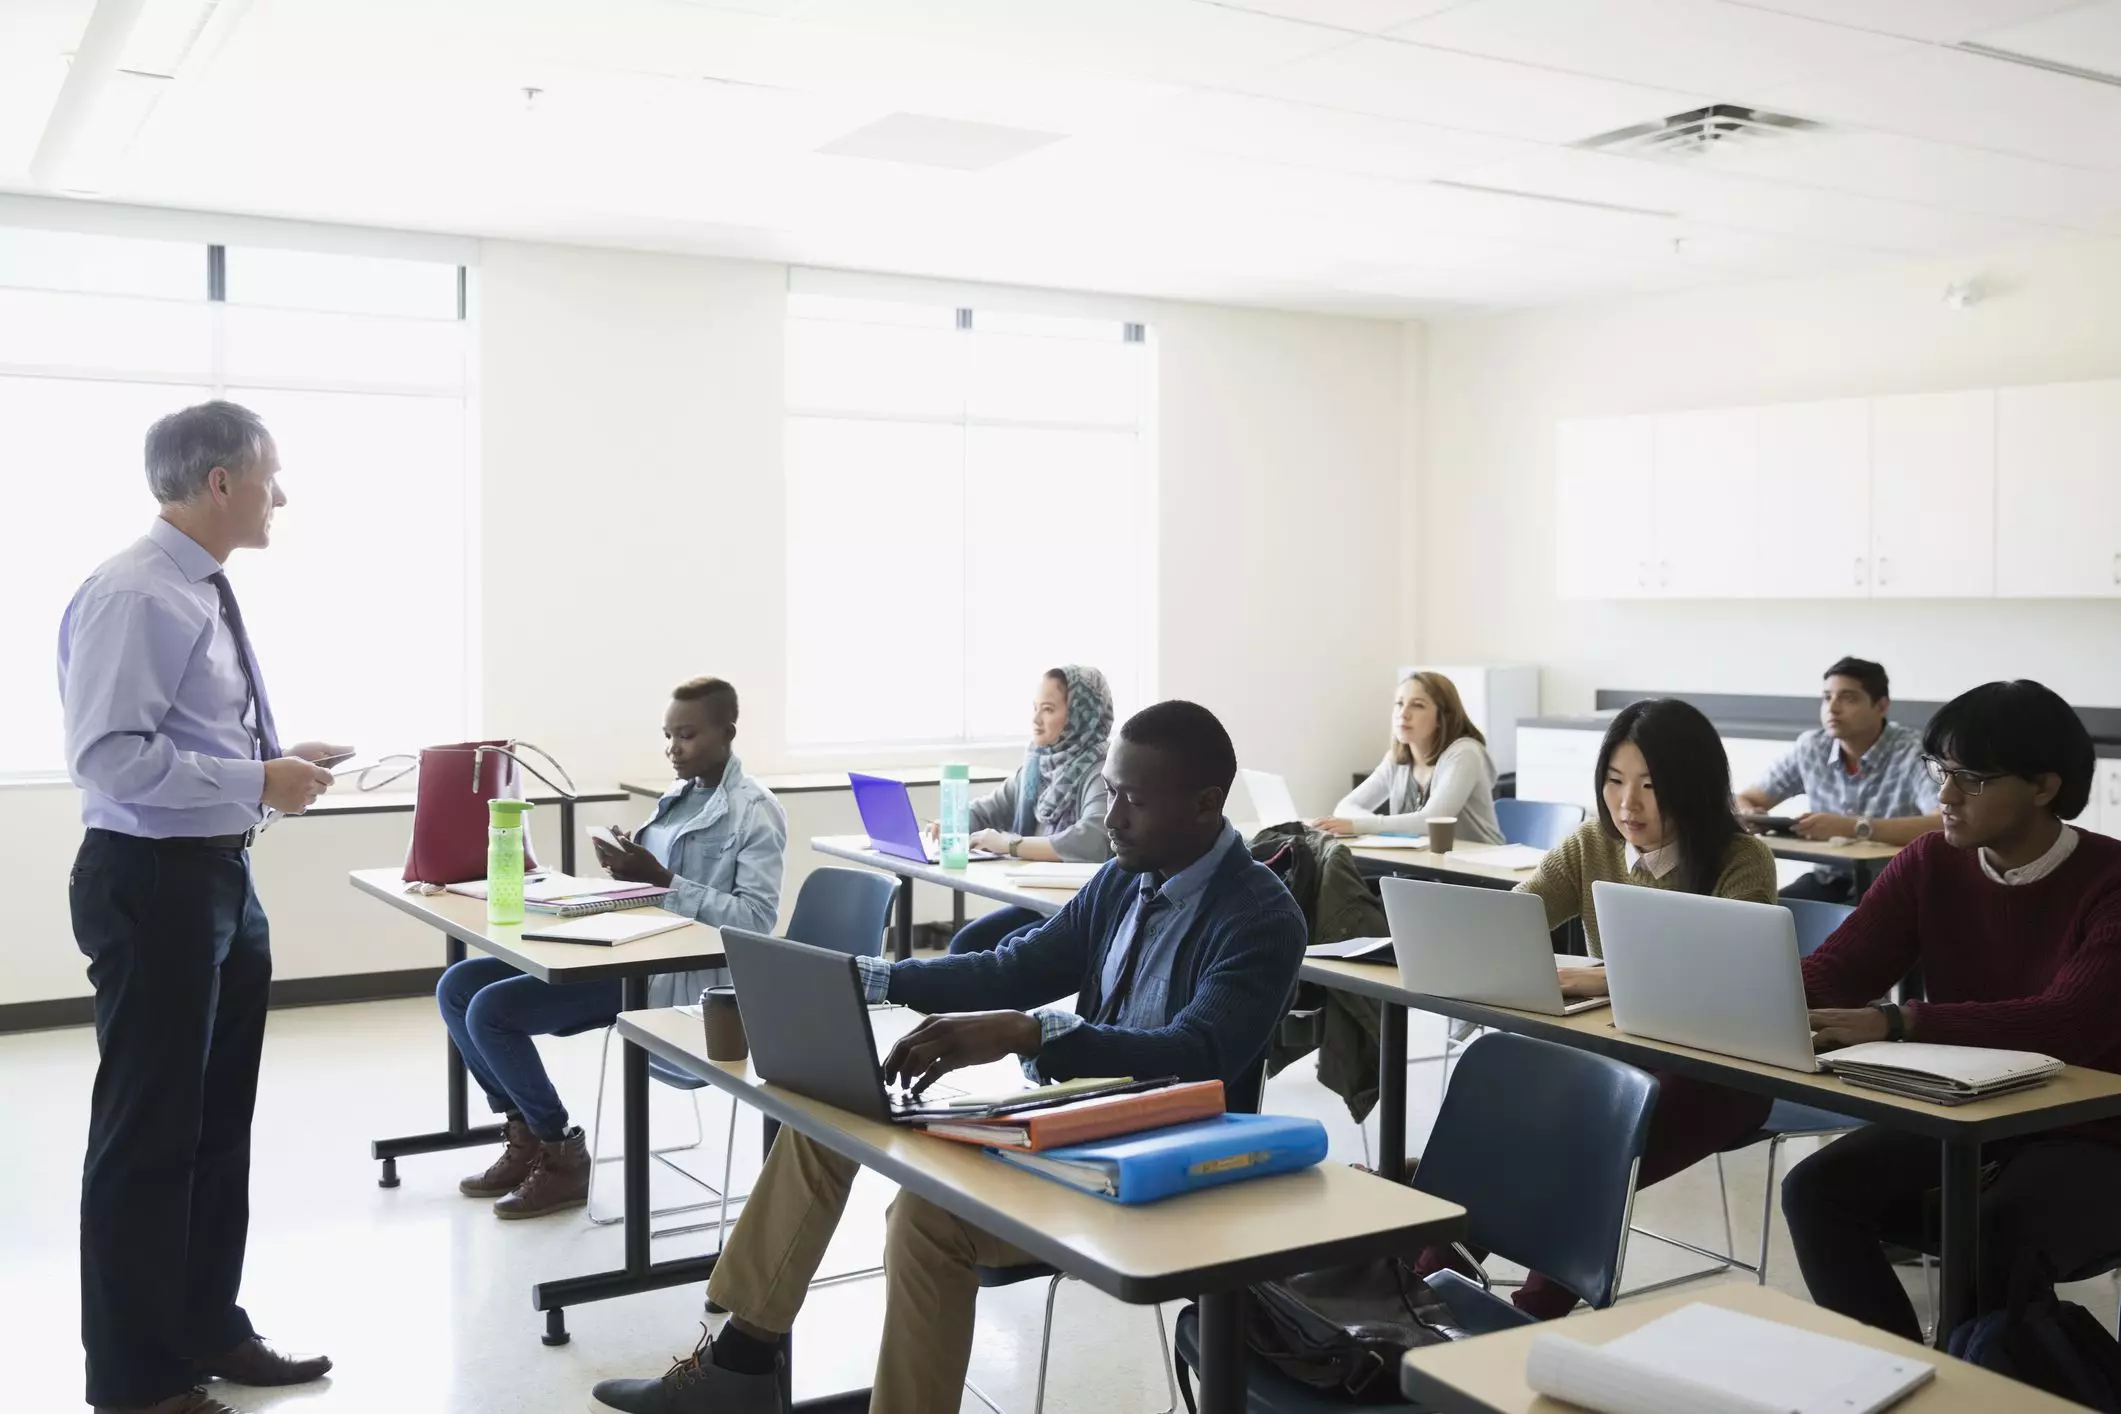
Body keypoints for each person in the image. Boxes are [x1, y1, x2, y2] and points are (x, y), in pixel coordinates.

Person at [587, 700, 1307, 1414]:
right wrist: (864, 977)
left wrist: (1032, 1033)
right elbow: (1013, 969)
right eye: (1111, 792)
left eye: (1133, 800)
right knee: (831, 1105)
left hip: (1169, 1165)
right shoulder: (1127, 875)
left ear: (1206, 804)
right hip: (1071, 1126)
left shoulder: (1261, 916)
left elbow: (1197, 1056)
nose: (1112, 817)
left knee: (928, 1221)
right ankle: (739, 1367)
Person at [60, 401, 342, 1414]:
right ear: (219, 481)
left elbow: (180, 739)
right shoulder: (137, 595)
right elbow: (109, 758)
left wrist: (271, 768)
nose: (281, 493)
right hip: (153, 884)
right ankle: (137, 1380)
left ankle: (207, 1327)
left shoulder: (200, 589)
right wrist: (254, 782)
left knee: (216, 1124)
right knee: (149, 1135)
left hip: (219, 875)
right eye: (271, 473)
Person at [1418, 698, 1779, 1319]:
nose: (1626, 804)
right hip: (1609, 1053)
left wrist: (1592, 980)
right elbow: (1510, 922)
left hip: (1718, 1074)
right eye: (1614, 782)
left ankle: (1531, 1312)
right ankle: (1422, 1282)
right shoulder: (1593, 843)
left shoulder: (1741, 862)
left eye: (1649, 786)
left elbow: (1712, 987)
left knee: (1589, 1135)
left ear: (1691, 786)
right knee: (1498, 1100)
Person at [1785, 680, 2121, 1341]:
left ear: (2042, 787)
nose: (1943, 796)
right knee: (1815, 1192)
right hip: (1970, 1118)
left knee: (1991, 1230)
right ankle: (1902, 1378)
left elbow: (2065, 1024)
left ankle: (1972, 1387)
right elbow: (1835, 974)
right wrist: (1722, 986)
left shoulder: (2109, 881)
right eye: (1940, 771)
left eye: (1969, 778)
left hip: (2091, 1132)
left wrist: (1900, 1021)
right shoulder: (1929, 863)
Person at [437, 677, 786, 1219]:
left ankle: (562, 1154)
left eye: (687, 735)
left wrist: (662, 880)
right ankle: (525, 1134)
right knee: (457, 987)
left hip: (675, 979)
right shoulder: (679, 795)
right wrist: (627, 868)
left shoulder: (755, 810)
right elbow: (655, 888)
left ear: (727, 733)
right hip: (630, 947)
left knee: (491, 1011)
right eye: (667, 736)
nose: (673, 748)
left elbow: (757, 922)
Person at [1735, 657, 1941, 901]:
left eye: (1848, 698)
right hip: (1829, 878)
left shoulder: (1913, 751)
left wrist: (1854, 827)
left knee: (1848, 927)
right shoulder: (1812, 746)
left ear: (1881, 706)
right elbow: (1744, 798)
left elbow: (1940, 824)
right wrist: (1753, 816)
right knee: (1767, 915)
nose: (1833, 708)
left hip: (1895, 884)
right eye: (1827, 697)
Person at [944, 665, 1115, 955]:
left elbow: (1091, 840)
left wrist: (1011, 845)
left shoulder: (1103, 770)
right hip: (1040, 902)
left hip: (1084, 908)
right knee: (967, 943)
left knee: (1006, 952)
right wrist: (949, 821)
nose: (1036, 720)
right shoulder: (1039, 762)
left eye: (1048, 709)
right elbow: (993, 808)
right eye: (1035, 708)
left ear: (1081, 714)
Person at [1314, 671, 1502, 845]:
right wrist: (1360, 824)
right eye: (1399, 703)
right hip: (1421, 866)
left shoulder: (1464, 753)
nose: (1404, 714)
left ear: (1442, 717)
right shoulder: (1396, 760)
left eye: (1417, 705)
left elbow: (1431, 822)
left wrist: (1357, 825)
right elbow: (1345, 807)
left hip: (1480, 871)